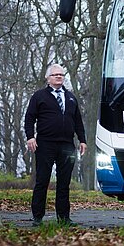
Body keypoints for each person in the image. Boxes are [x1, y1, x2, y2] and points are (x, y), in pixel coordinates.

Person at [24, 63, 87, 226]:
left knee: (64, 183)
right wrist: (30, 137)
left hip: (67, 145)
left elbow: (78, 120)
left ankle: (64, 218)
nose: (59, 77)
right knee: (42, 181)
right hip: (45, 144)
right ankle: (37, 217)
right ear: (48, 78)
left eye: (61, 74)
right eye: (55, 75)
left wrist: (82, 140)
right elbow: (30, 118)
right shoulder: (39, 96)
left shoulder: (71, 97)